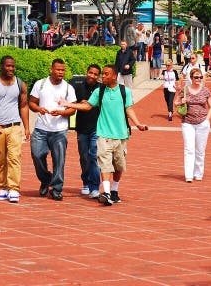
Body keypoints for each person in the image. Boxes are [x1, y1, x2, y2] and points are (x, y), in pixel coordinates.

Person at [64, 65, 148, 206]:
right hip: (103, 134)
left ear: (114, 76)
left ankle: (114, 191)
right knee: (105, 164)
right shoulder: (99, 91)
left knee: (119, 166)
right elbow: (88, 106)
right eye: (103, 74)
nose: (103, 76)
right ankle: (107, 193)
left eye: (106, 74)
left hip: (121, 135)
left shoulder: (124, 91)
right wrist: (68, 104)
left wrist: (138, 124)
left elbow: (129, 109)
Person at [29, 58, 77, 201]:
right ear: (51, 69)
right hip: (41, 129)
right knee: (37, 156)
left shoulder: (68, 88)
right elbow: (31, 102)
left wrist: (61, 112)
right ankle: (46, 179)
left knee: (59, 160)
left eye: (63, 70)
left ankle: (56, 188)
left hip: (60, 131)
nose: (61, 72)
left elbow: (72, 109)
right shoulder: (41, 84)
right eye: (58, 70)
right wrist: (39, 108)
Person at [0, 56, 29, 203]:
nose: (10, 69)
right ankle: (3, 187)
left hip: (14, 126)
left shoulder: (20, 84)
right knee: (1, 159)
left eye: (13, 66)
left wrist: (27, 127)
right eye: (8, 66)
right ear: (2, 66)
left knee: (14, 158)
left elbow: (23, 106)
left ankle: (14, 188)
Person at [176, 67, 211, 183]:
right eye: (196, 77)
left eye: (200, 77)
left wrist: (207, 120)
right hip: (187, 122)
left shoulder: (206, 91)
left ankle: (198, 173)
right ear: (191, 78)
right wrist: (181, 102)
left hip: (202, 122)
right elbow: (176, 103)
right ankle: (188, 174)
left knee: (200, 150)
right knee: (189, 149)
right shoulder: (185, 90)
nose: (198, 79)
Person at [71, 64, 102, 199]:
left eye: (95, 74)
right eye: (91, 73)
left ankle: (95, 187)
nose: (92, 76)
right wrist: (80, 102)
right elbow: (72, 103)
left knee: (93, 156)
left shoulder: (101, 89)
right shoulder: (78, 87)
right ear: (87, 72)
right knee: (84, 157)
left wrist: (91, 103)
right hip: (82, 128)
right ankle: (85, 181)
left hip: (96, 128)